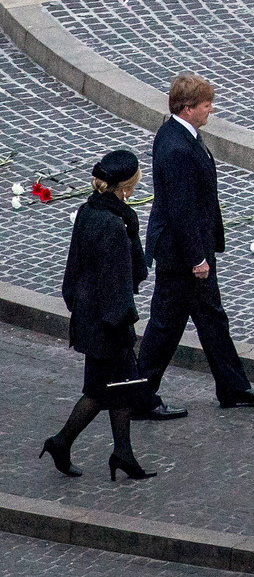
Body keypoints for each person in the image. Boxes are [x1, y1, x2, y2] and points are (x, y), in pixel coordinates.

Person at [136, 74, 254, 420]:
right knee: (165, 327)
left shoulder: (176, 134)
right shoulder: (178, 148)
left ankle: (232, 386)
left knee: (211, 319)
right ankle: (138, 394)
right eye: (205, 104)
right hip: (182, 255)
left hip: (186, 250)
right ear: (187, 108)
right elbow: (182, 210)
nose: (210, 109)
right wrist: (198, 257)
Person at [41, 150, 156, 481]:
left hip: (90, 317)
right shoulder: (114, 226)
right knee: (98, 391)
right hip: (108, 323)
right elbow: (120, 282)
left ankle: (123, 453)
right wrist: (122, 327)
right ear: (124, 187)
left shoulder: (89, 210)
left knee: (120, 386)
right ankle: (62, 442)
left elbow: (74, 270)